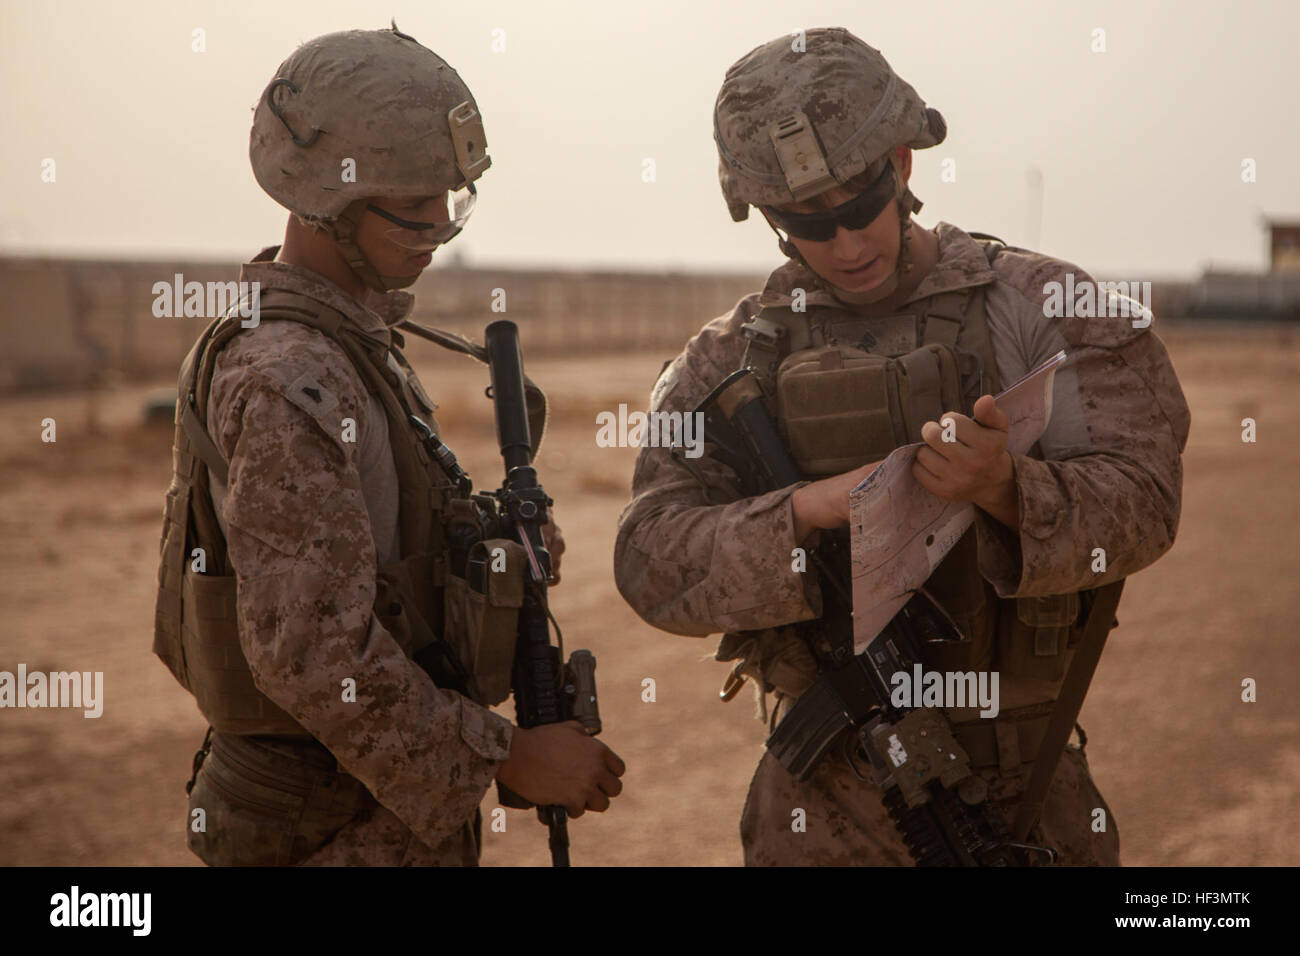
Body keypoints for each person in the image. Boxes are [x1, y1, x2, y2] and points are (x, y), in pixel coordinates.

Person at [614, 27, 1189, 866]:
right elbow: (650, 562)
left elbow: (1147, 503)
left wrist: (1007, 490)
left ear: (903, 165)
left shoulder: (1046, 308)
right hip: (822, 806)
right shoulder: (729, 358)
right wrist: (806, 511)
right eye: (810, 224)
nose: (847, 245)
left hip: (1021, 788)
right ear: (767, 215)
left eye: (859, 206)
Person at [153, 25, 624, 866]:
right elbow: (311, 653)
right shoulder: (287, 376)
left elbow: (372, 560)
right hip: (324, 827)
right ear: (324, 201)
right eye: (410, 209)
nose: (437, 229)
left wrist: (483, 559)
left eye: (449, 200)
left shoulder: (350, 346)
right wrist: (508, 755)